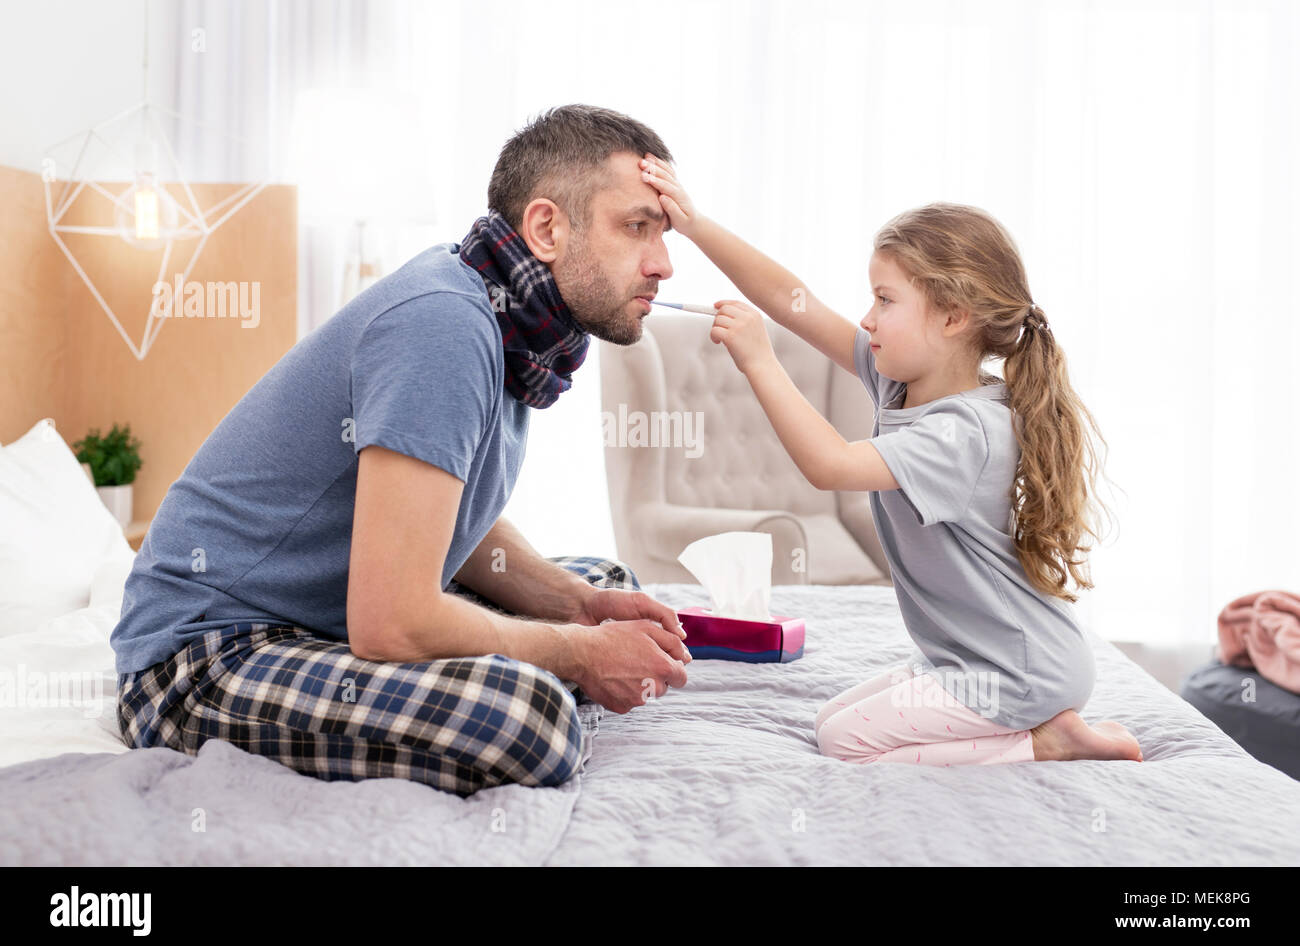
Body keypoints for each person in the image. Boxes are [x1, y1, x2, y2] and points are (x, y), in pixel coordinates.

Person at [111, 105, 694, 796]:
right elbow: (390, 619)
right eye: (637, 227)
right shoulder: (443, 324)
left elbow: (448, 519)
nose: (663, 263)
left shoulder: (505, 323)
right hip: (204, 656)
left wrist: (575, 606)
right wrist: (575, 653)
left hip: (329, 622)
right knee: (530, 719)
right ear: (545, 228)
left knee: (605, 582)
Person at [639, 155, 1142, 765]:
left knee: (842, 741)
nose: (866, 318)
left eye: (885, 299)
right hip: (976, 658)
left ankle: (1043, 742)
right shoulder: (902, 381)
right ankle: (1035, 730)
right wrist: (695, 226)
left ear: (954, 317)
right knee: (830, 717)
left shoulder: (963, 432)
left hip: (1017, 670)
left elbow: (831, 465)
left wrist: (758, 360)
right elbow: (794, 304)